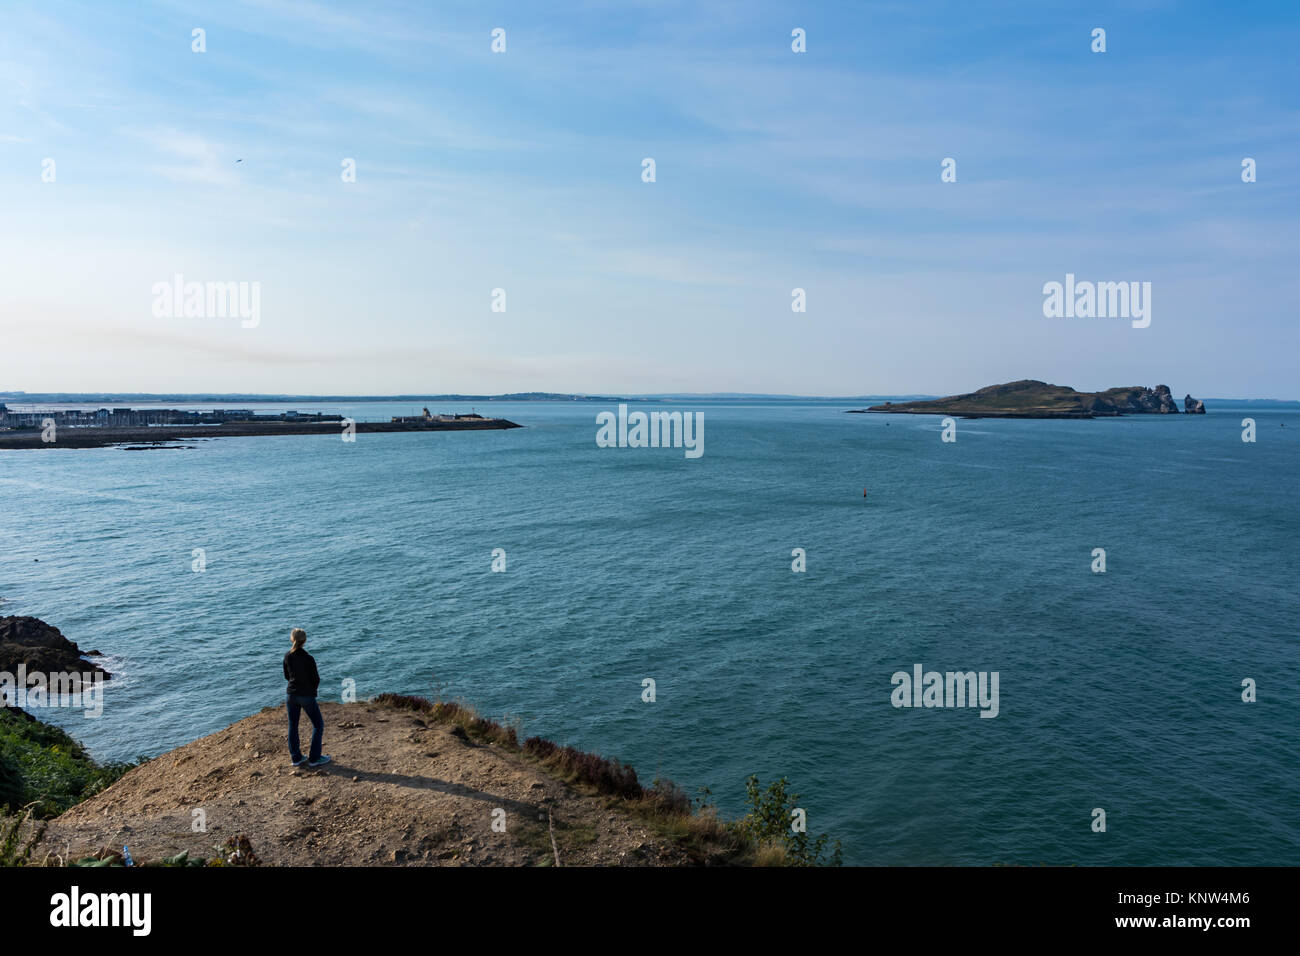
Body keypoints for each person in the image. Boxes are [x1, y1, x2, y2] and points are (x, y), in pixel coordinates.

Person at [283, 628, 330, 767]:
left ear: (292, 639)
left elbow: (287, 676)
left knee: (293, 726)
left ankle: (296, 758)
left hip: (290, 695)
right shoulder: (308, 658)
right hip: (306, 695)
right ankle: (314, 758)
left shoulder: (287, 656)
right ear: (305, 641)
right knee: (318, 725)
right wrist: (311, 691)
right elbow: (316, 679)